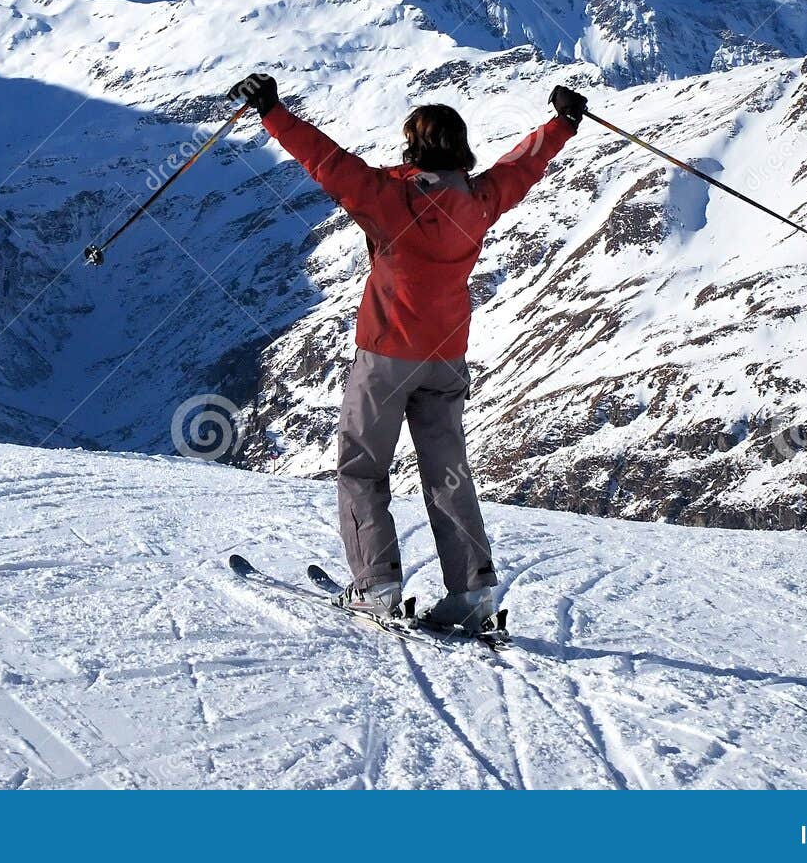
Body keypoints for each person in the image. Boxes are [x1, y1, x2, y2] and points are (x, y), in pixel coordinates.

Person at [229, 72, 586, 633]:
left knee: (362, 468)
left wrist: (271, 110)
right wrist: (562, 123)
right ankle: (472, 589)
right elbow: (523, 166)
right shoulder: (481, 199)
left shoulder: (388, 198)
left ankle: (375, 583)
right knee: (448, 474)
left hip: (386, 354)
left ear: (412, 148)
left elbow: (327, 161)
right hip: (447, 357)